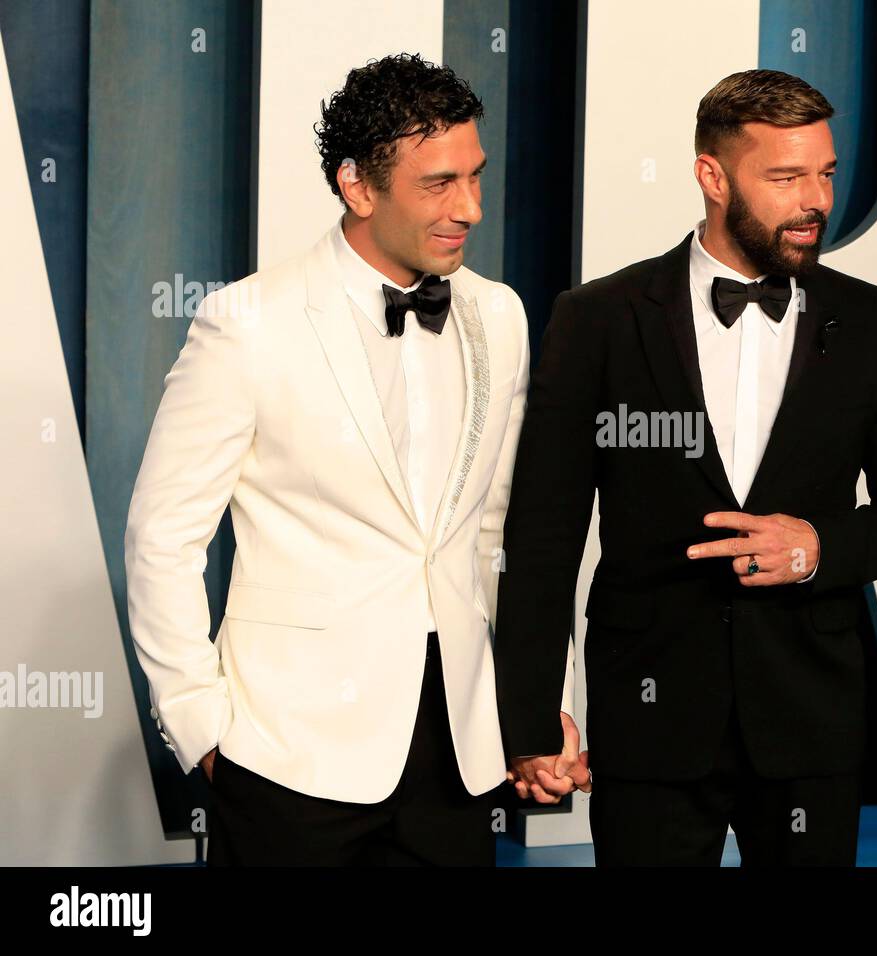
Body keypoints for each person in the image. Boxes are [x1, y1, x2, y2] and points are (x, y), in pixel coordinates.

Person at [123, 53, 582, 866]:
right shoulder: (249, 323)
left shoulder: (499, 315)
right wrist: (199, 725)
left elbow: (495, 538)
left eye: (476, 177)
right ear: (358, 187)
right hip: (286, 756)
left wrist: (534, 706)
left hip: (457, 761)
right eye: (439, 184)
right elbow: (163, 539)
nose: (470, 207)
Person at [494, 69, 877, 866]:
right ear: (712, 176)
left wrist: (815, 546)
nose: (815, 199)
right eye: (786, 177)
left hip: (812, 720)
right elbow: (543, 534)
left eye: (826, 174)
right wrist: (532, 717)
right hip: (650, 722)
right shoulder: (597, 319)